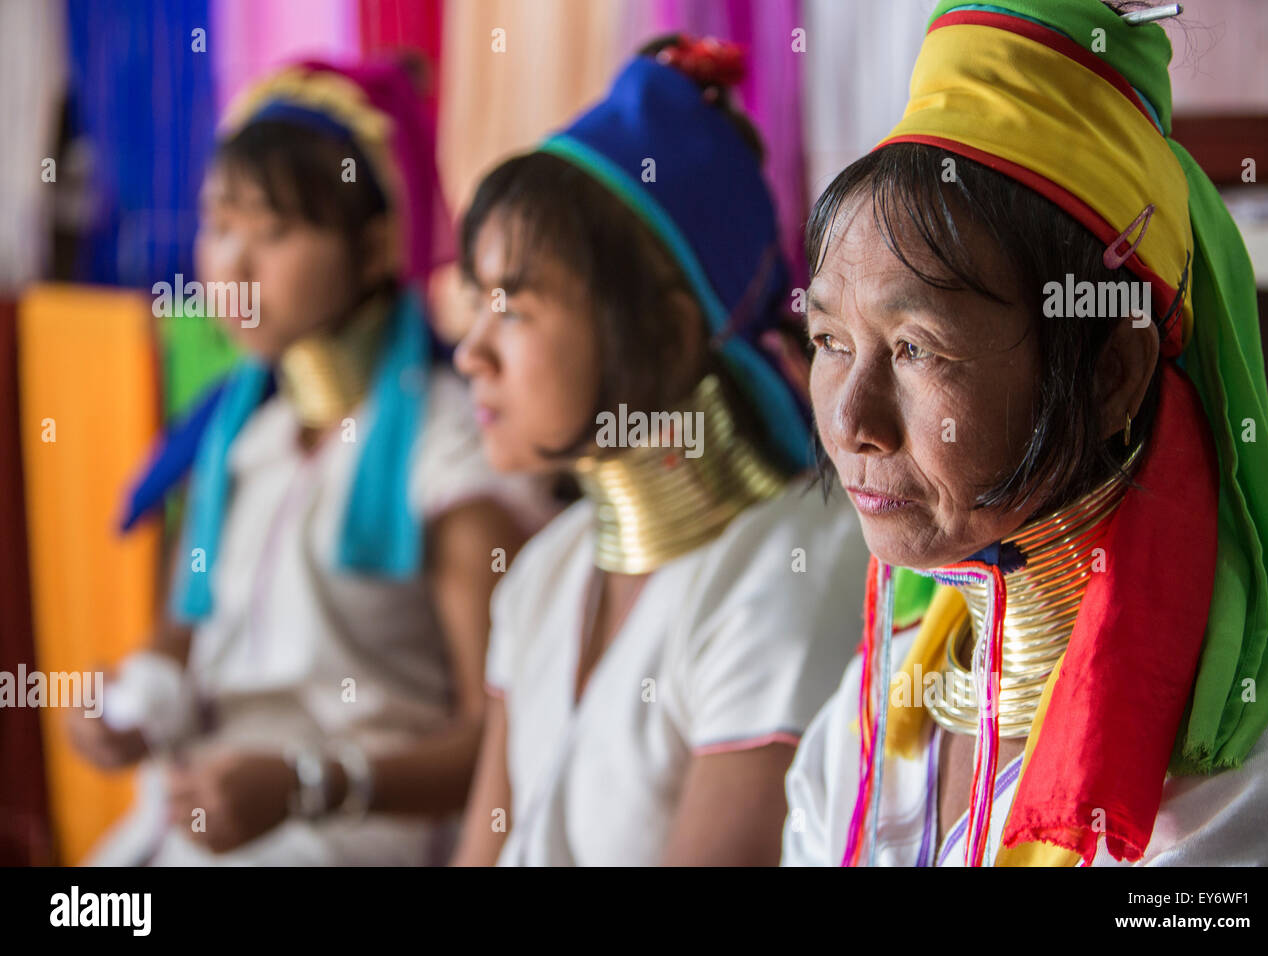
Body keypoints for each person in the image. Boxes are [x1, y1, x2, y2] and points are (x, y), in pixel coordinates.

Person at [783, 0, 1268, 867]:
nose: (850, 423)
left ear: (1108, 374)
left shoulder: (1241, 790)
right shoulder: (871, 711)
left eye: (916, 349)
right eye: (831, 342)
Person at [69, 57, 548, 865]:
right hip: (188, 827)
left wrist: (311, 782)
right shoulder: (242, 438)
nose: (233, 267)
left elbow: (507, 728)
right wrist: (128, 701)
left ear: (374, 247)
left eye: (275, 231)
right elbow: (190, 627)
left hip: (347, 841)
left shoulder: (451, 463)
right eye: (220, 226)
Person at [449, 36, 868, 866]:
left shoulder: (793, 569)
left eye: (515, 309)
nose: (470, 353)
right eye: (477, 305)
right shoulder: (546, 573)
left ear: (670, 330)